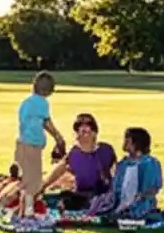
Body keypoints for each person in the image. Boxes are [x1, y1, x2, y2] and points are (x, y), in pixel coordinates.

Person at [41, 113, 117, 210]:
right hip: (81, 194)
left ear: (94, 133)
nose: (80, 135)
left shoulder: (105, 150)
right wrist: (42, 187)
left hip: (101, 195)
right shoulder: (74, 154)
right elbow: (58, 171)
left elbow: (115, 172)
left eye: (85, 131)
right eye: (78, 131)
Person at [16, 71, 65, 217]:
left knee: (28, 178)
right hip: (32, 145)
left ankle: (22, 210)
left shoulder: (26, 102)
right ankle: (28, 212)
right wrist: (58, 137)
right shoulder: (42, 103)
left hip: (22, 143)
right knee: (34, 180)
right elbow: (46, 122)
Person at [88, 128, 164, 219]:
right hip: (118, 201)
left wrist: (140, 197)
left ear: (136, 143)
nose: (124, 142)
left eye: (127, 140)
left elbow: (153, 188)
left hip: (139, 202)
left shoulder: (150, 163)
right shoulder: (123, 163)